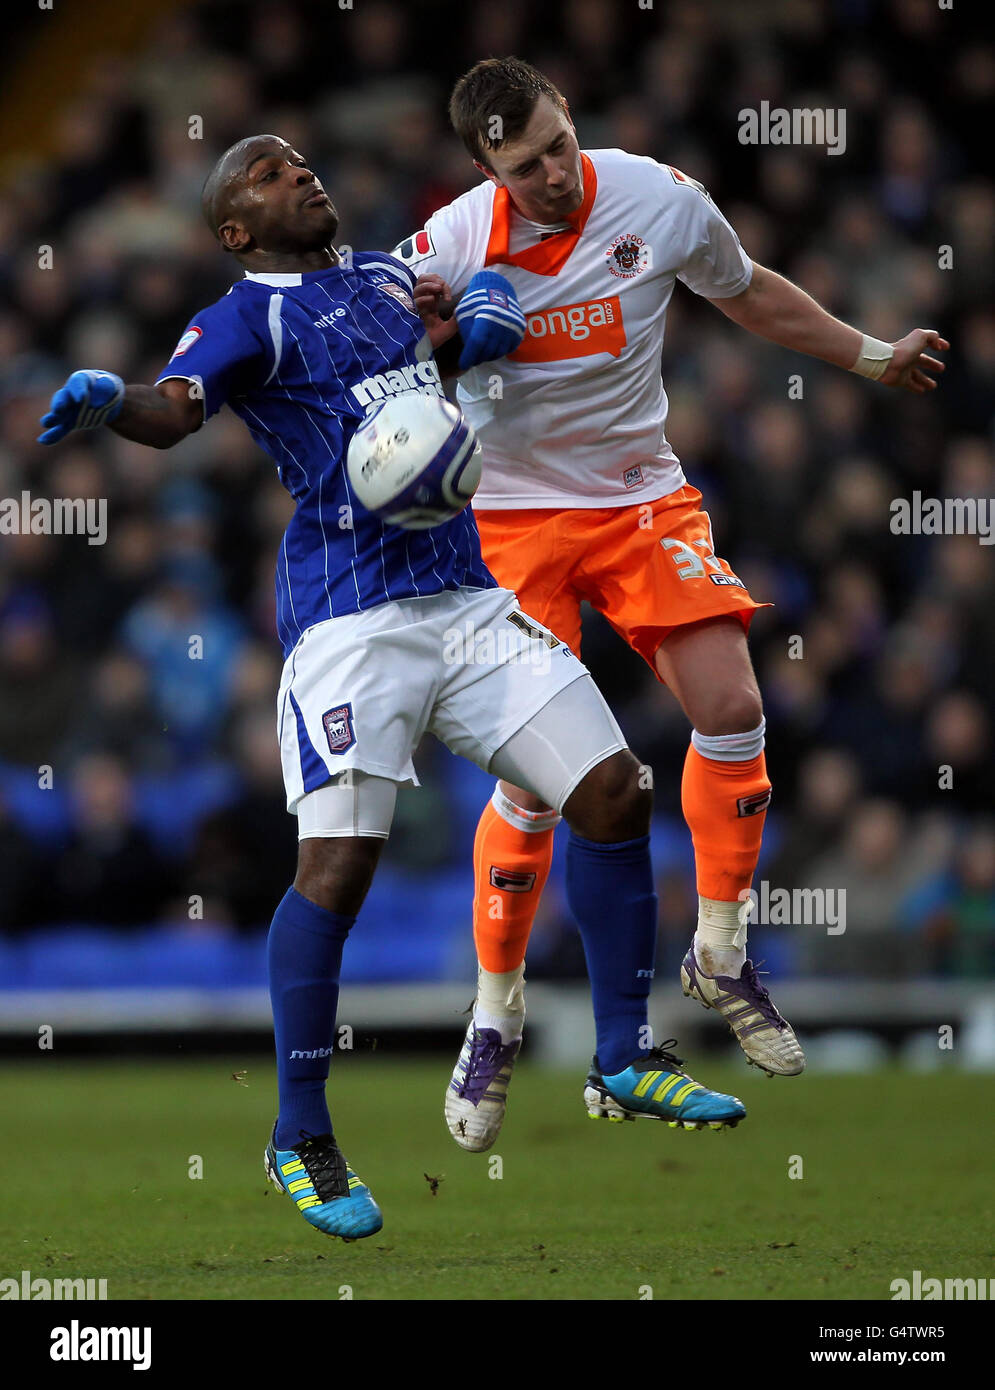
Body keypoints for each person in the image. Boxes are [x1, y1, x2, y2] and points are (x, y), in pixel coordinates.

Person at [38, 134, 746, 1242]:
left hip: (462, 595)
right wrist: (106, 399)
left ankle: (619, 1054)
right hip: (350, 625)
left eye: (301, 161)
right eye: (269, 173)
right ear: (236, 230)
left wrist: (472, 340)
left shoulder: (379, 278)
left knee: (612, 789)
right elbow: (177, 410)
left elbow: (411, 400)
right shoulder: (245, 316)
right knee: (337, 864)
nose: (302, 173)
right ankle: (298, 1135)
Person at [394, 56, 949, 1151]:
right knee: (539, 784)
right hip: (505, 519)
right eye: (524, 163)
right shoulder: (451, 244)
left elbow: (746, 292)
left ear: (569, 118)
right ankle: (494, 1012)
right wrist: (436, 339)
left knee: (732, 707)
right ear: (482, 168)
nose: (552, 173)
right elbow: (375, 354)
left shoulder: (656, 195)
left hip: (639, 498)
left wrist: (869, 354)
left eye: (558, 143)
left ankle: (721, 952)